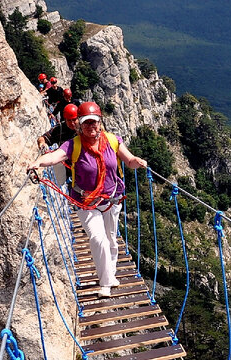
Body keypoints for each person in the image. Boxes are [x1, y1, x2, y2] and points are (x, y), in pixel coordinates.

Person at [28, 102, 147, 297]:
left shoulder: (113, 140)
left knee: (111, 240)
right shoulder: (72, 145)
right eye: (87, 123)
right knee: (97, 238)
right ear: (80, 125)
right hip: (85, 202)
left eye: (94, 123)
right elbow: (55, 157)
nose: (91, 127)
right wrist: (38, 162)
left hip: (112, 199)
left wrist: (138, 162)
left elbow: (129, 160)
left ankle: (110, 273)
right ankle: (106, 283)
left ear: (100, 123)